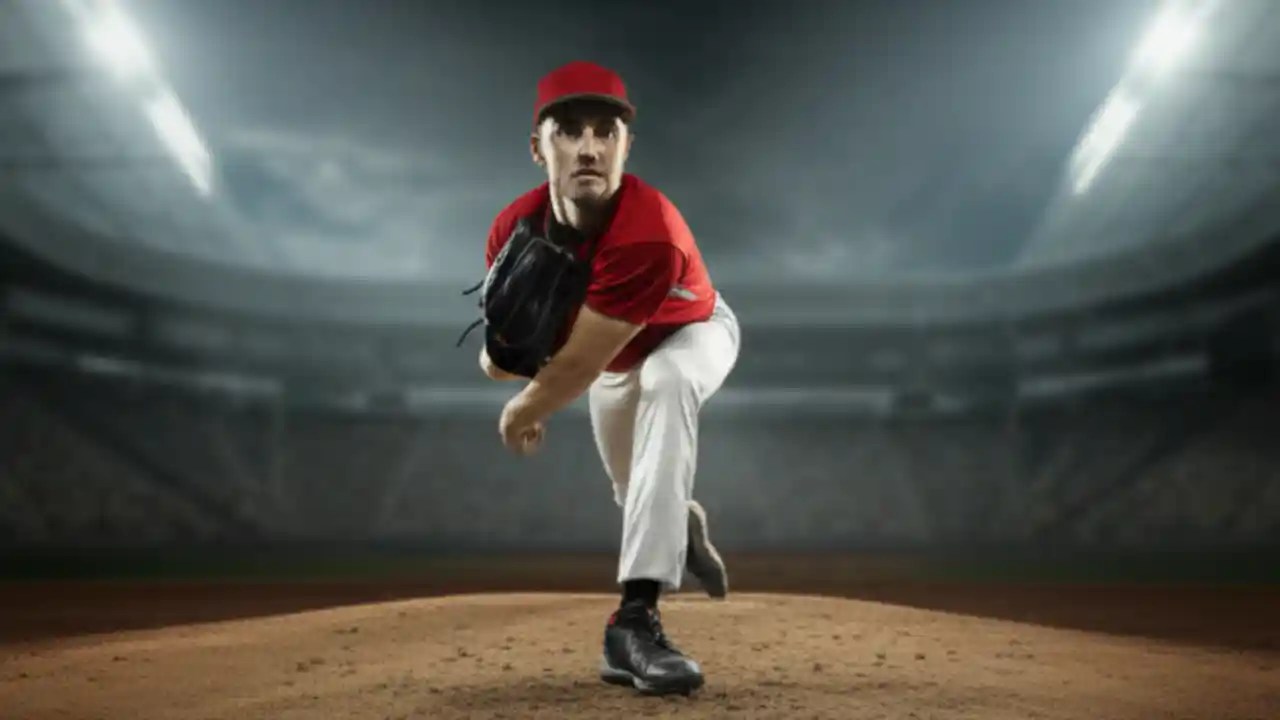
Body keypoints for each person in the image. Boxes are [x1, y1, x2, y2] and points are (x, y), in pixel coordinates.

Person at [477, 60, 741, 696]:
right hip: (614, 364)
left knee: (669, 379)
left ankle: (634, 623)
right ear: (538, 148)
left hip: (693, 333)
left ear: (627, 145)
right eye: (569, 130)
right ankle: (682, 523)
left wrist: (520, 411)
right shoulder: (512, 228)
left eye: (606, 130)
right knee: (635, 492)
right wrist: (500, 355)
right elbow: (503, 360)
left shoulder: (648, 232)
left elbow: (575, 366)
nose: (589, 147)